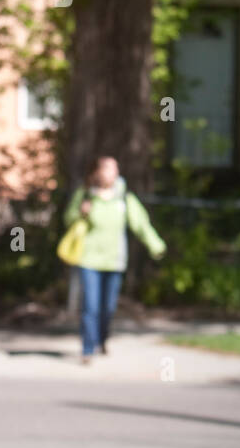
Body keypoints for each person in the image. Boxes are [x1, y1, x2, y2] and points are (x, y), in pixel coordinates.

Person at [64, 156, 166, 364]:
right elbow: (68, 218)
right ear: (97, 173)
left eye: (115, 169)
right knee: (90, 306)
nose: (113, 173)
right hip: (89, 258)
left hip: (114, 260)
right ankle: (87, 348)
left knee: (108, 307)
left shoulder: (124, 197)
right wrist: (80, 213)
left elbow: (141, 224)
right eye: (108, 169)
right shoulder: (85, 195)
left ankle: (102, 339)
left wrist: (156, 245)